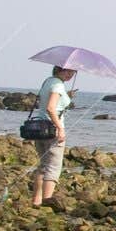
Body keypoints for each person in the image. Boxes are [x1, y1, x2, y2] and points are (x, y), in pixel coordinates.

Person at [25, 65, 76, 207]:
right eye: (67, 71)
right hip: (52, 130)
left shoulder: (48, 81)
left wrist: (67, 97)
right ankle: (47, 201)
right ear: (58, 69)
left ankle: (36, 201)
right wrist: (60, 128)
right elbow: (51, 108)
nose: (70, 74)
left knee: (43, 166)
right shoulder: (58, 85)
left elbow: (48, 103)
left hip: (40, 129)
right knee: (53, 167)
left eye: (73, 72)